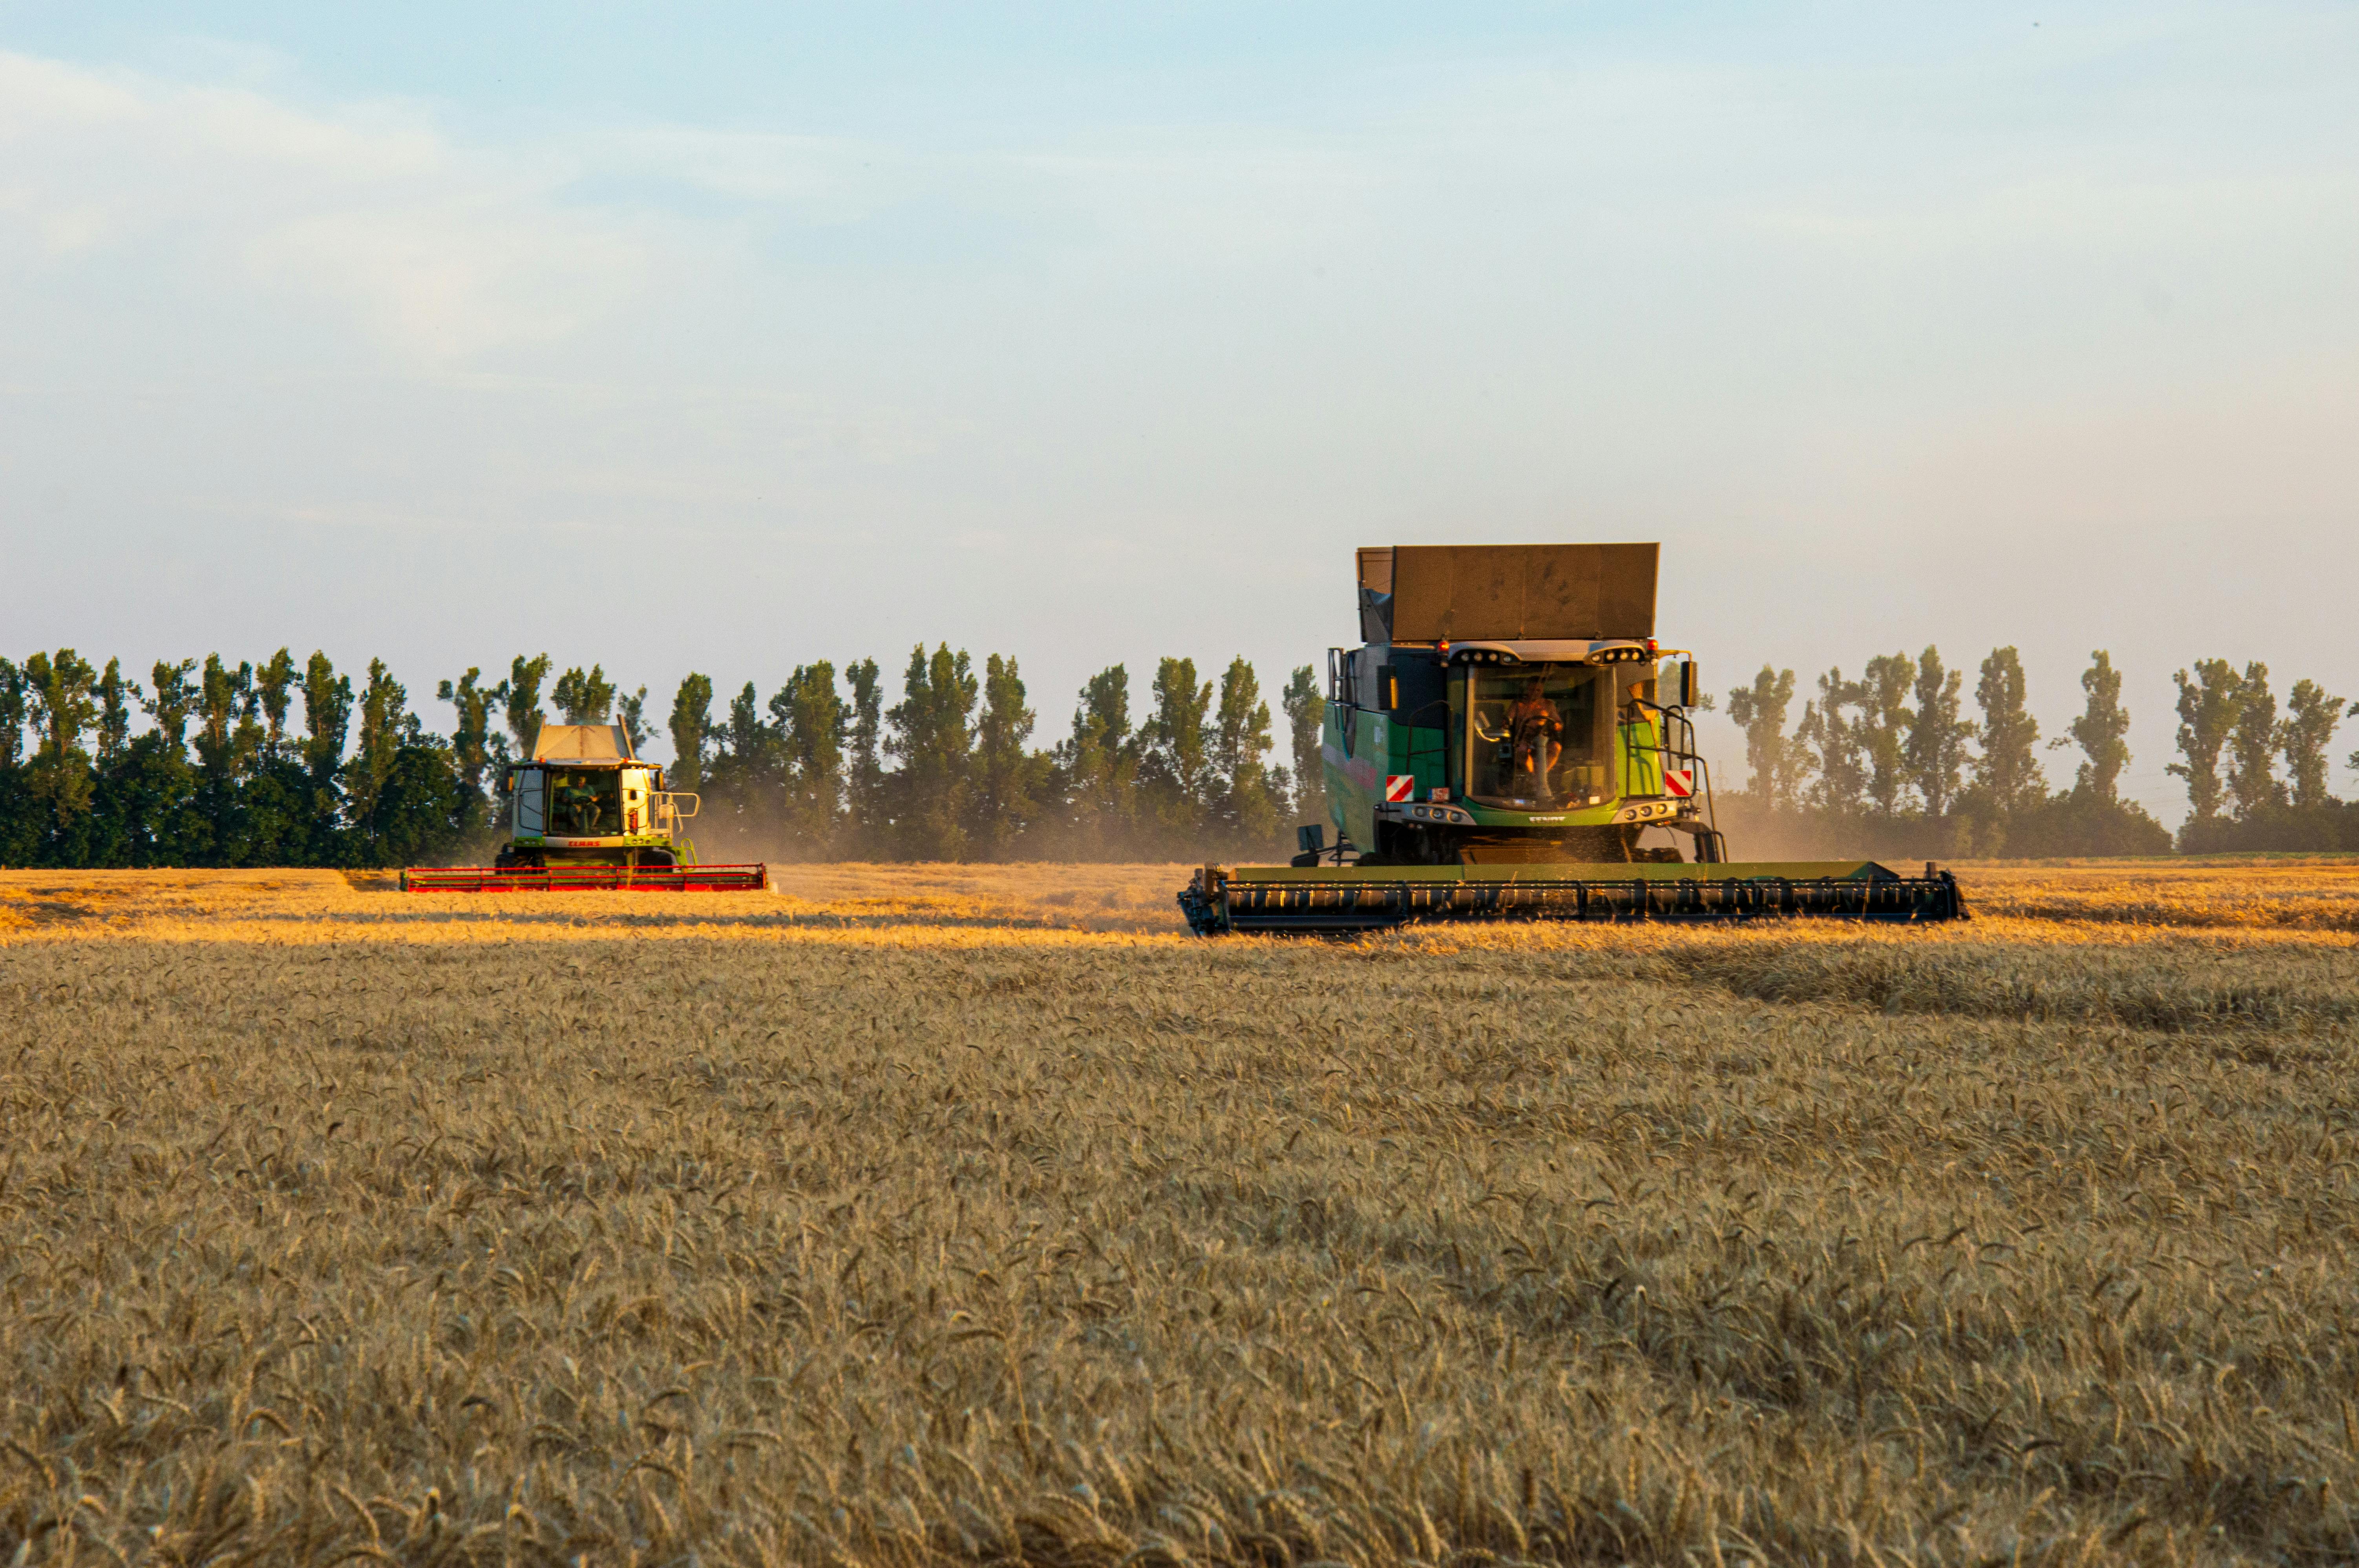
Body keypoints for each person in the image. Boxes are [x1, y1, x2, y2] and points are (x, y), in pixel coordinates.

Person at [1506, 678, 1563, 800]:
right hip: (1524, 738)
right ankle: (1538, 779)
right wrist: (1505, 723)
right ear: (1527, 689)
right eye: (1532, 689)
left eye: (1538, 690)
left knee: (1556, 747)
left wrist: (1557, 725)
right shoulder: (1518, 705)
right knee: (1522, 749)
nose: (1535, 692)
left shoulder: (1549, 705)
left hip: (1544, 738)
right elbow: (1507, 720)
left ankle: (1539, 779)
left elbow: (1559, 724)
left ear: (1542, 691)